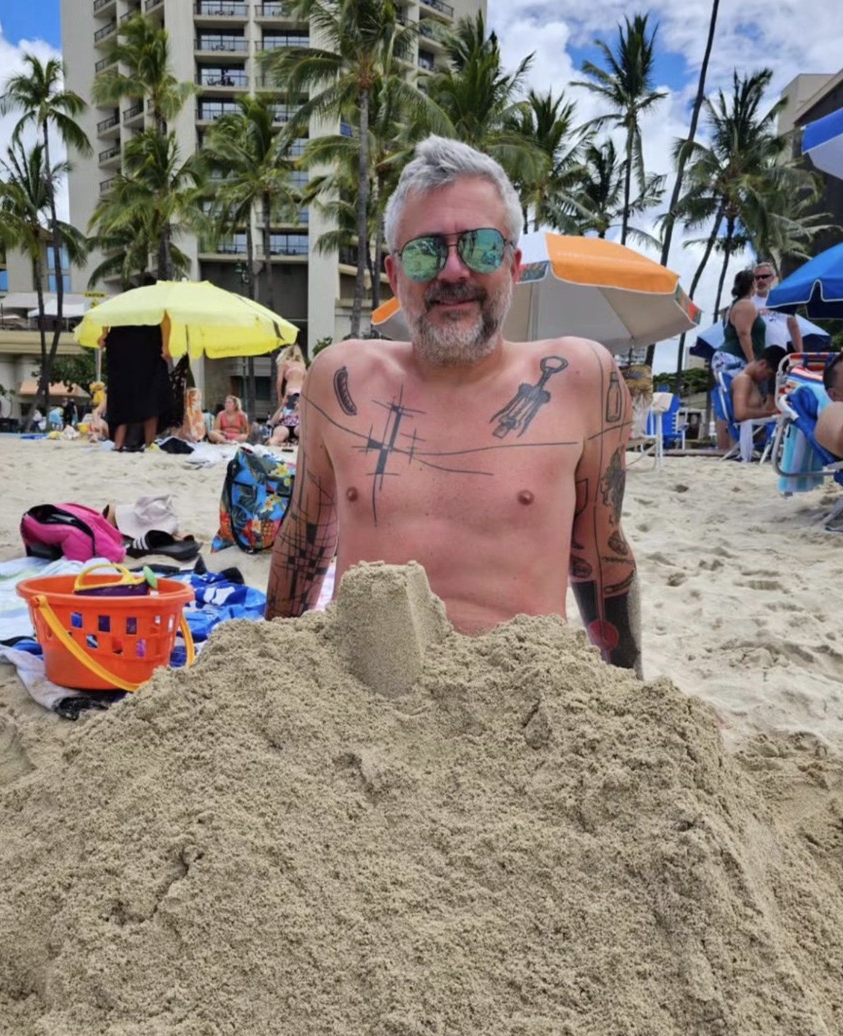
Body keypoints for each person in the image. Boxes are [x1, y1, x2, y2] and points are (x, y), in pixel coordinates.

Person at [264, 135, 641, 674]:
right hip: (364, 706)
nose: (454, 271)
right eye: (425, 252)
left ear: (512, 265)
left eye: (481, 247)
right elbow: (303, 542)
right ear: (395, 277)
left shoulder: (582, 379)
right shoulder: (340, 380)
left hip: (523, 708)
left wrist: (634, 696)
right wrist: (269, 677)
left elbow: (601, 560)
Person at [711, 268, 766, 450]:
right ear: (752, 285)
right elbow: (744, 333)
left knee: (728, 403)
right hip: (735, 358)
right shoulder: (745, 305)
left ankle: (728, 446)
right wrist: (752, 362)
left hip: (727, 359)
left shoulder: (736, 305)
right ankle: (734, 445)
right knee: (739, 402)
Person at [103, 321, 173, 452]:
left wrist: (104, 333)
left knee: (125, 390)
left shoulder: (122, 301)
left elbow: (110, 311)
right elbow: (164, 317)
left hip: (124, 335)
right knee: (151, 391)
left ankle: (120, 444)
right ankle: (148, 443)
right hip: (145, 335)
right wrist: (165, 344)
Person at [729, 345, 787, 459]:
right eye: (769, 374)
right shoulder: (743, 380)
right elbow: (741, 413)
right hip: (749, 432)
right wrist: (770, 413)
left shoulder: (753, 382)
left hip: (756, 431)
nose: (767, 378)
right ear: (763, 364)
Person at [751, 262, 802, 354]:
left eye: (764, 276)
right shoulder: (748, 303)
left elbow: (794, 327)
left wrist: (800, 354)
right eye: (757, 277)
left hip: (779, 354)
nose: (760, 280)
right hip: (757, 355)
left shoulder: (783, 300)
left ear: (772, 278)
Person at [269, 343, 306, 448]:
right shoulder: (302, 365)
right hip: (301, 392)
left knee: (287, 413)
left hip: (291, 391)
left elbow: (279, 382)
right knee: (298, 416)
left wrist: (280, 396)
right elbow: (307, 380)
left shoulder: (285, 363)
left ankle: (275, 441)